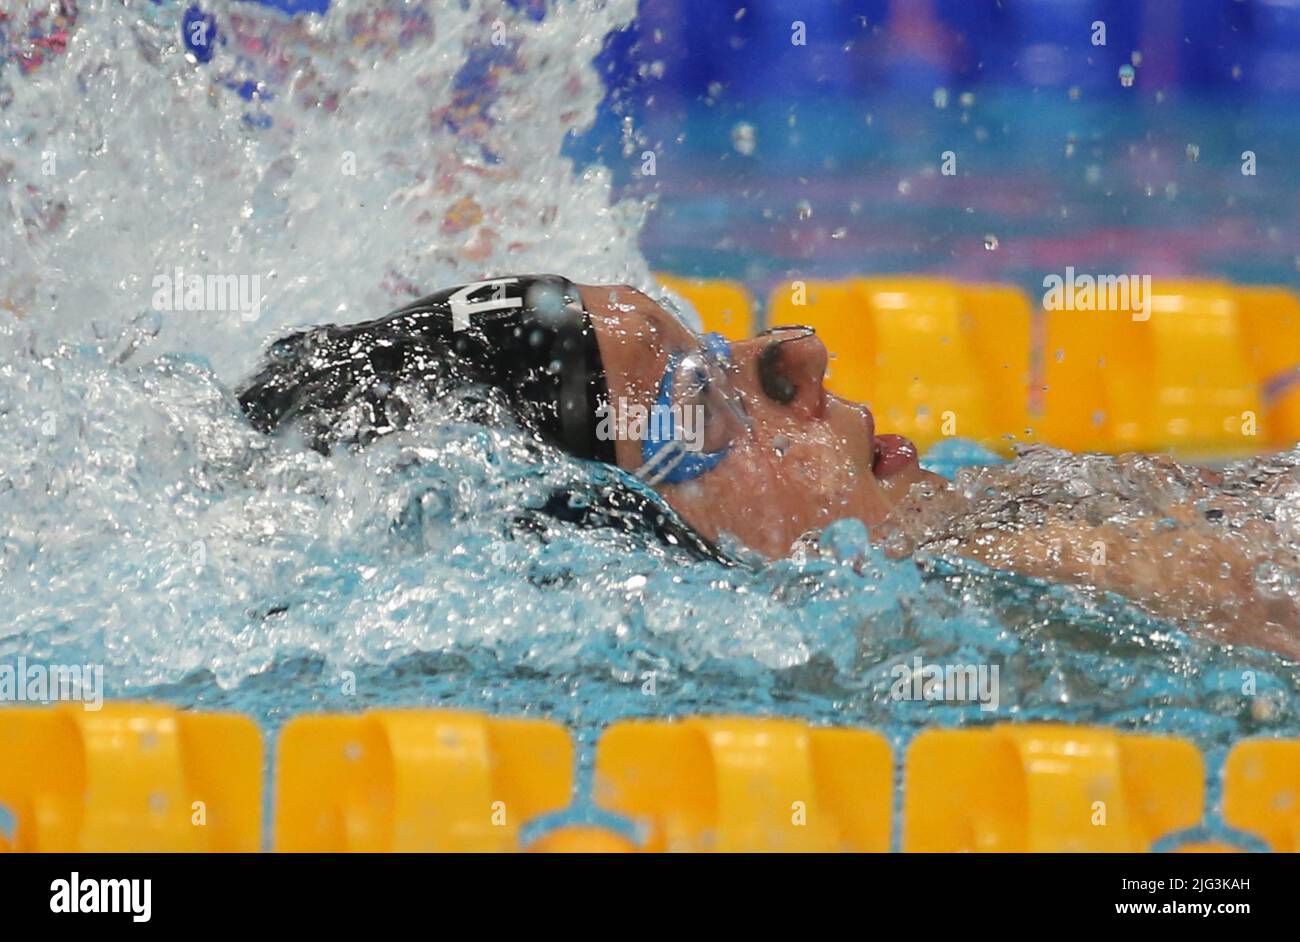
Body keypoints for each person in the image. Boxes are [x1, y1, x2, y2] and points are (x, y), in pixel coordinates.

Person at [239, 275, 1300, 658]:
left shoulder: (1007, 517)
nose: (799, 355)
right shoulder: (1034, 581)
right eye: (704, 399)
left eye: (716, 344)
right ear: (633, 545)